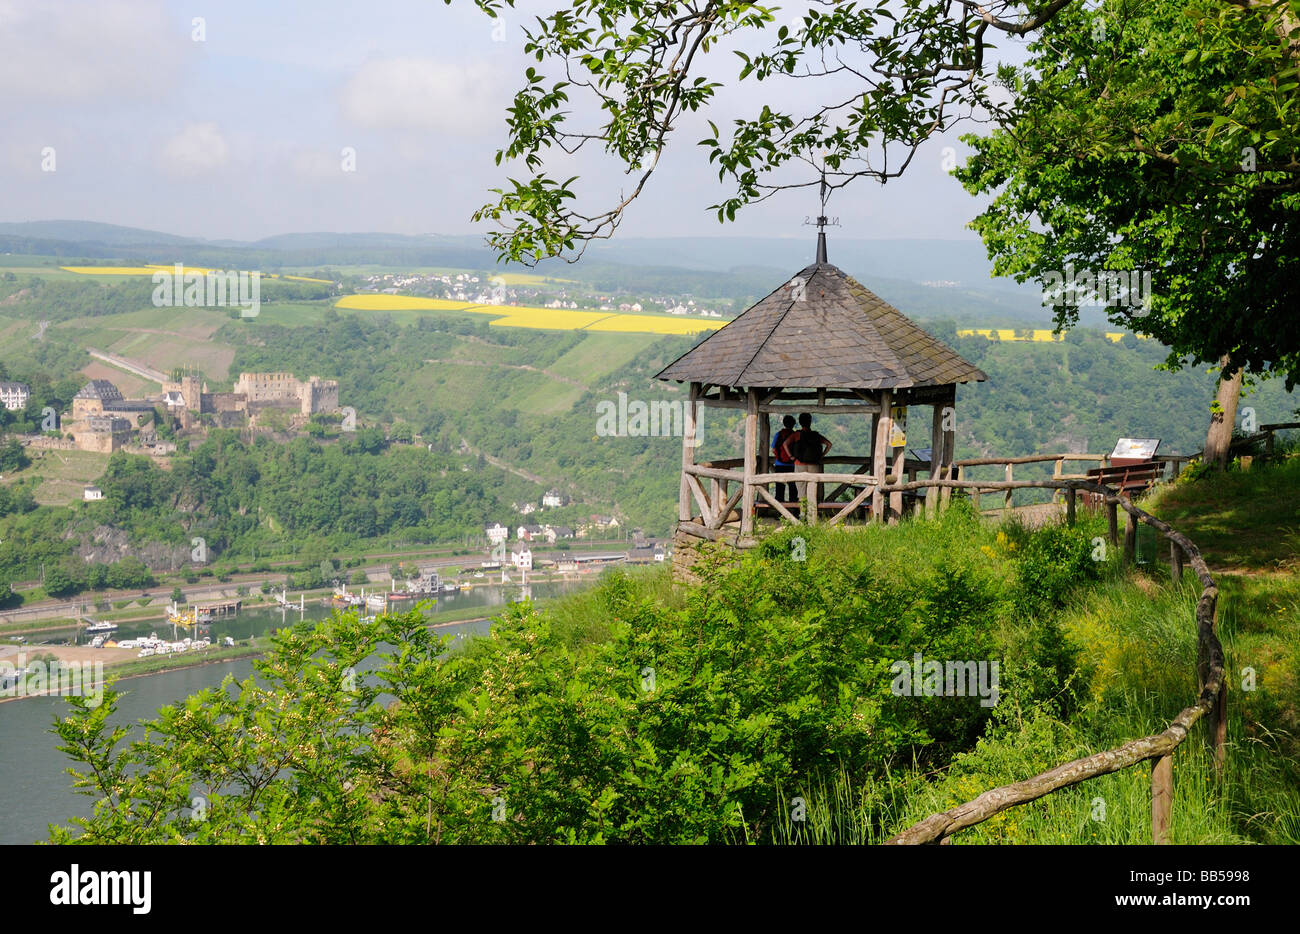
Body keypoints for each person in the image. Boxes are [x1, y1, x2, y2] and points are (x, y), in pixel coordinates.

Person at [789, 412, 831, 508]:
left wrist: (791, 456)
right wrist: (821, 455)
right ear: (810, 422)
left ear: (800, 422)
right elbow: (829, 444)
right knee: (813, 488)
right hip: (814, 464)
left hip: (799, 464)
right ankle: (812, 514)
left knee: (801, 489)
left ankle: (802, 514)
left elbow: (785, 444)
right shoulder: (816, 435)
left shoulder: (797, 434)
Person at [771, 415, 798, 503]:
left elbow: (773, 449)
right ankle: (794, 510)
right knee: (793, 488)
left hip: (779, 465)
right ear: (793, 424)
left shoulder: (778, 434)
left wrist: (780, 457)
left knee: (780, 488)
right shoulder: (795, 435)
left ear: (784, 423)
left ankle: (779, 512)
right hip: (792, 465)